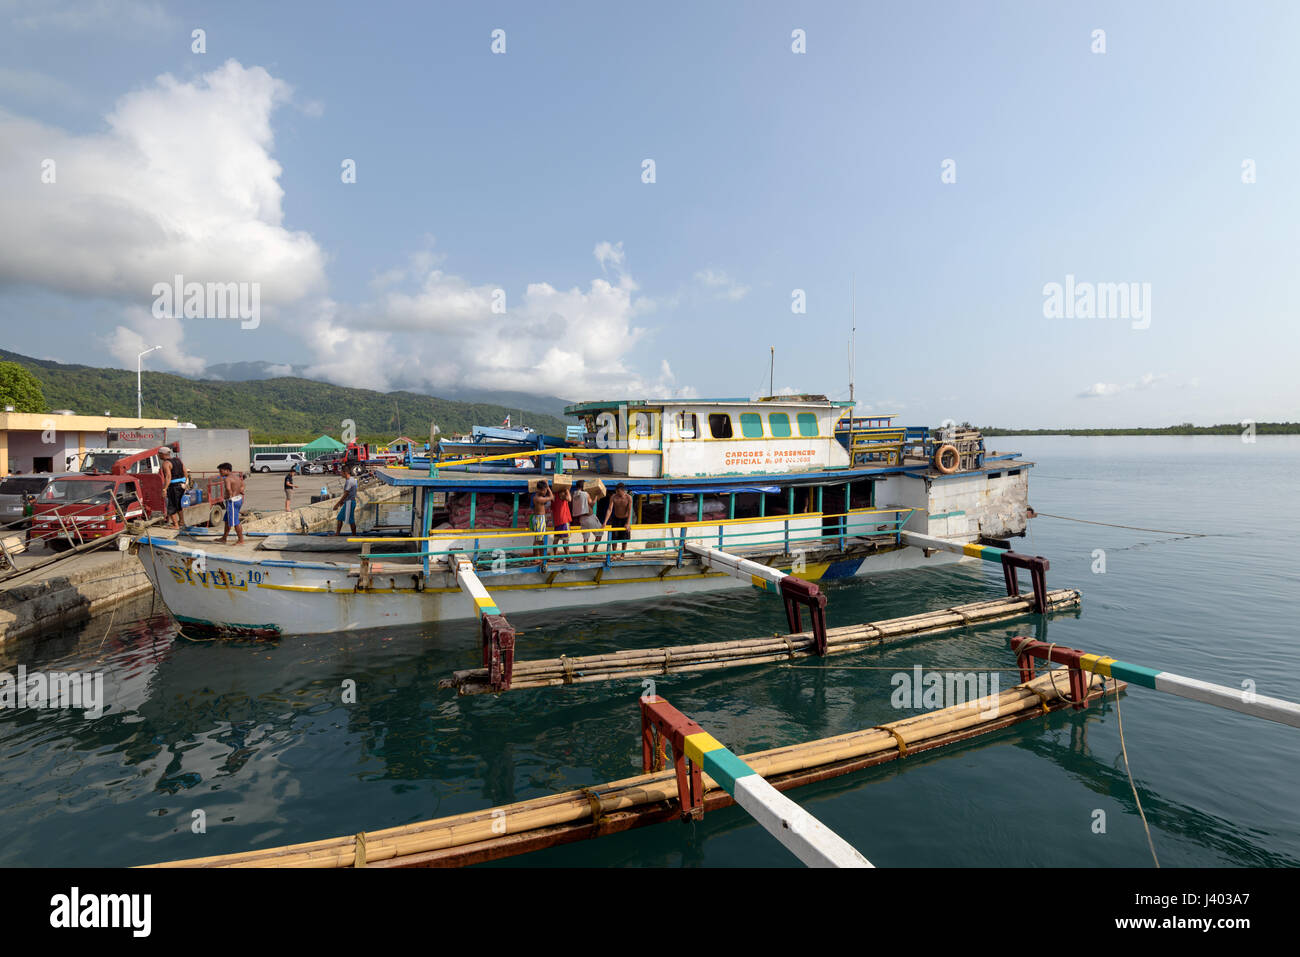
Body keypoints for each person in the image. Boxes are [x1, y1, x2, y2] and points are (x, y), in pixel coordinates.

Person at [217, 462, 245, 545]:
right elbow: (243, 485)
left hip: (232, 501)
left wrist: (230, 496)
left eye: (221, 471)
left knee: (235, 521)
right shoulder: (237, 477)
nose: (220, 473)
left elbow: (228, 489)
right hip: (238, 499)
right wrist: (240, 491)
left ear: (227, 470)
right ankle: (224, 538)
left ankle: (241, 540)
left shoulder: (227, 479)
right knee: (227, 520)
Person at [570, 480, 601, 554]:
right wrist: (596, 496)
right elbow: (592, 504)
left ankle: (586, 554)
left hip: (582, 518)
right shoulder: (585, 494)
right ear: (583, 486)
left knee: (586, 538)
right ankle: (595, 550)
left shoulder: (573, 494)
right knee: (600, 533)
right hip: (589, 516)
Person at [603, 482, 634, 554]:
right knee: (614, 537)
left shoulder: (628, 498)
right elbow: (609, 509)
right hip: (616, 518)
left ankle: (623, 554)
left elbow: (630, 511)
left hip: (625, 519)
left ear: (623, 490)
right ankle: (614, 554)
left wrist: (628, 523)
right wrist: (605, 522)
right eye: (616, 491)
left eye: (618, 491)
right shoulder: (613, 497)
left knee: (624, 538)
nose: (617, 493)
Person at [529, 479, 553, 558]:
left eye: (545, 490)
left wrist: (546, 487)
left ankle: (541, 556)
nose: (545, 492)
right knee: (538, 540)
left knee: (540, 539)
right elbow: (551, 497)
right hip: (539, 519)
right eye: (543, 490)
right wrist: (548, 488)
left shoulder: (537, 495)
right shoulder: (538, 498)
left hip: (540, 518)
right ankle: (537, 557)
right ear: (539, 490)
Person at [335, 467, 359, 536]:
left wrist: (337, 503)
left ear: (345, 473)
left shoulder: (349, 481)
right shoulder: (352, 479)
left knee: (351, 520)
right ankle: (338, 533)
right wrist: (343, 502)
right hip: (349, 502)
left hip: (350, 502)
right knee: (340, 517)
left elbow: (346, 494)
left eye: (341, 472)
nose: (340, 474)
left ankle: (354, 535)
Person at [551, 484, 573, 557]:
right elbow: (570, 499)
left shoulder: (554, 496)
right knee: (565, 540)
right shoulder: (562, 495)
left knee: (556, 540)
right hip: (564, 521)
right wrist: (567, 489)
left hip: (557, 522)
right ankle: (568, 557)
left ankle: (555, 555)